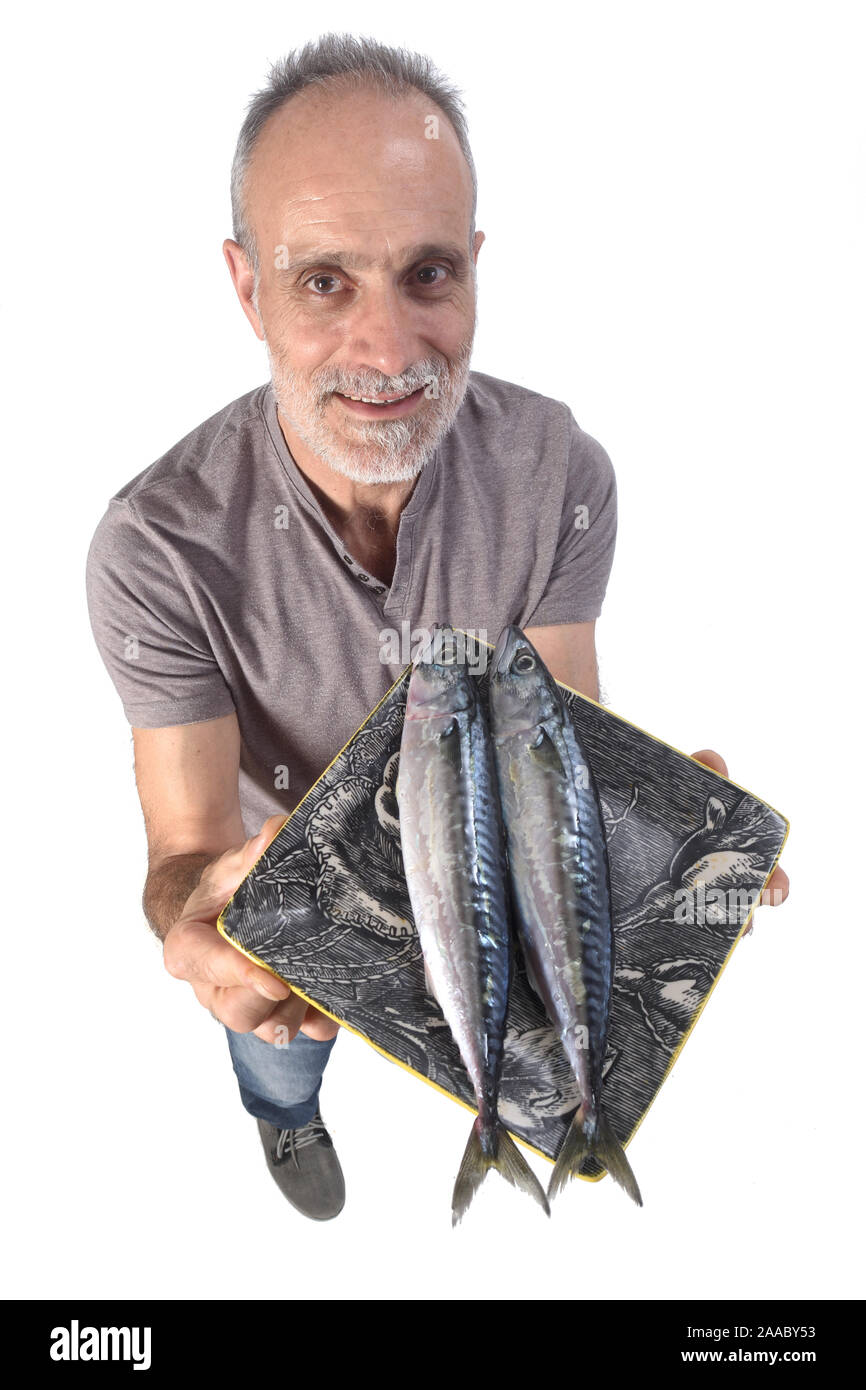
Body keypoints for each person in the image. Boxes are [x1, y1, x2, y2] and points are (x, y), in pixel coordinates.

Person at [85, 33, 788, 1223]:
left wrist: (646, 841)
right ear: (245, 285)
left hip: (486, 874)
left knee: (526, 1023)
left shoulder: (558, 468)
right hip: (293, 904)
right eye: (322, 282)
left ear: (473, 266)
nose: (387, 352)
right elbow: (184, 847)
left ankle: (534, 1114)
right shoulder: (155, 544)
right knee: (277, 1043)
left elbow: (551, 726)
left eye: (426, 276)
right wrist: (205, 913)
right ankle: (284, 1110)